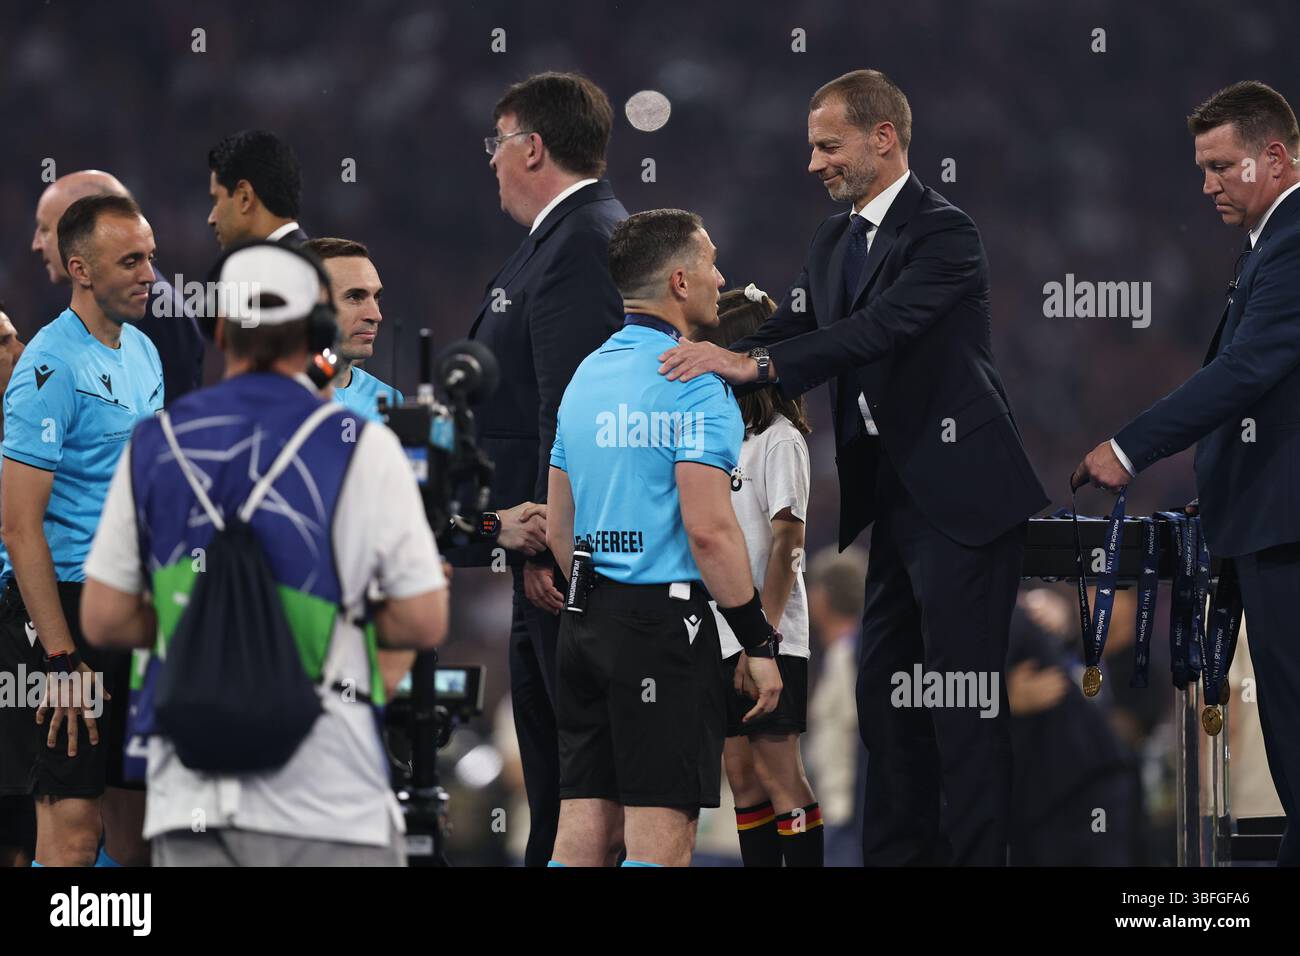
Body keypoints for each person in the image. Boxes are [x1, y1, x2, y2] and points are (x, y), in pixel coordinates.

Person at [658, 69, 1048, 866]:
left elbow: (878, 329)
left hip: (966, 500)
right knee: (884, 699)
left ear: (884, 139)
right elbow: (797, 335)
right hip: (896, 503)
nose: (814, 164)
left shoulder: (944, 233)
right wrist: (704, 350)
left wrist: (747, 367)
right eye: (812, 147)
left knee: (961, 707)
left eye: (828, 146)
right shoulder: (832, 241)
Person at [80, 241, 448, 866]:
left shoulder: (154, 443)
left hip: (191, 793)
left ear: (219, 330)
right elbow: (422, 619)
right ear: (317, 331)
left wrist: (195, 621)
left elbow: (105, 618)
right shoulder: (364, 442)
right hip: (330, 789)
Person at [1073, 80, 1300, 865]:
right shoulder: (1271, 246)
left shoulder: (1296, 241)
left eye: (1219, 165)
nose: (1204, 185)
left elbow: (1246, 372)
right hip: (1269, 527)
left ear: (1273, 158)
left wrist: (1130, 446)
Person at [546, 209, 782, 868]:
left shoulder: (584, 376)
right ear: (680, 280)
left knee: (584, 833)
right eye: (710, 263)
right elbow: (709, 531)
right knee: (661, 841)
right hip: (661, 628)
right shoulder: (696, 380)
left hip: (584, 619)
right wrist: (758, 640)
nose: (721, 277)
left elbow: (560, 528)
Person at [462, 71, 628, 866]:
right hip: (544, 554)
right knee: (560, 793)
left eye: (497, 143)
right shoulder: (562, 241)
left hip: (560, 567)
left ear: (531, 148)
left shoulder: (581, 242)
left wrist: (552, 541)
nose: (490, 162)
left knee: (579, 791)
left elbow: (577, 412)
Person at [0, 195, 165, 867]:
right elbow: (18, 526)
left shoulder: (146, 353)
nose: (150, 274)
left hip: (131, 606)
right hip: (62, 610)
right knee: (71, 831)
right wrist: (61, 660)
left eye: (151, 256)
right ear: (81, 270)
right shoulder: (48, 367)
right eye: (131, 260)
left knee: (135, 829)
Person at [695, 284, 821, 867]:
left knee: (780, 777)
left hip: (769, 637)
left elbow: (789, 543)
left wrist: (762, 638)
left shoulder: (779, 441)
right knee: (742, 781)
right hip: (722, 634)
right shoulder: (720, 442)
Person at [31, 170, 204, 403]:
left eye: (44, 229)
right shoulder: (107, 301)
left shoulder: (146, 307)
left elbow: (163, 422)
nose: (36, 244)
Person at [804, 545, 870, 867]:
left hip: (846, 816)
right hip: (838, 814)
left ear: (822, 597)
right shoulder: (843, 654)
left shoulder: (850, 656)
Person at [303, 238, 403, 421]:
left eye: (376, 297)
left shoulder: (392, 402)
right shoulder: (269, 398)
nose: (375, 315)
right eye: (355, 297)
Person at [207, 129, 309, 249]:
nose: (211, 219)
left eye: (216, 201)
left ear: (245, 198)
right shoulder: (314, 261)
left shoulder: (285, 266)